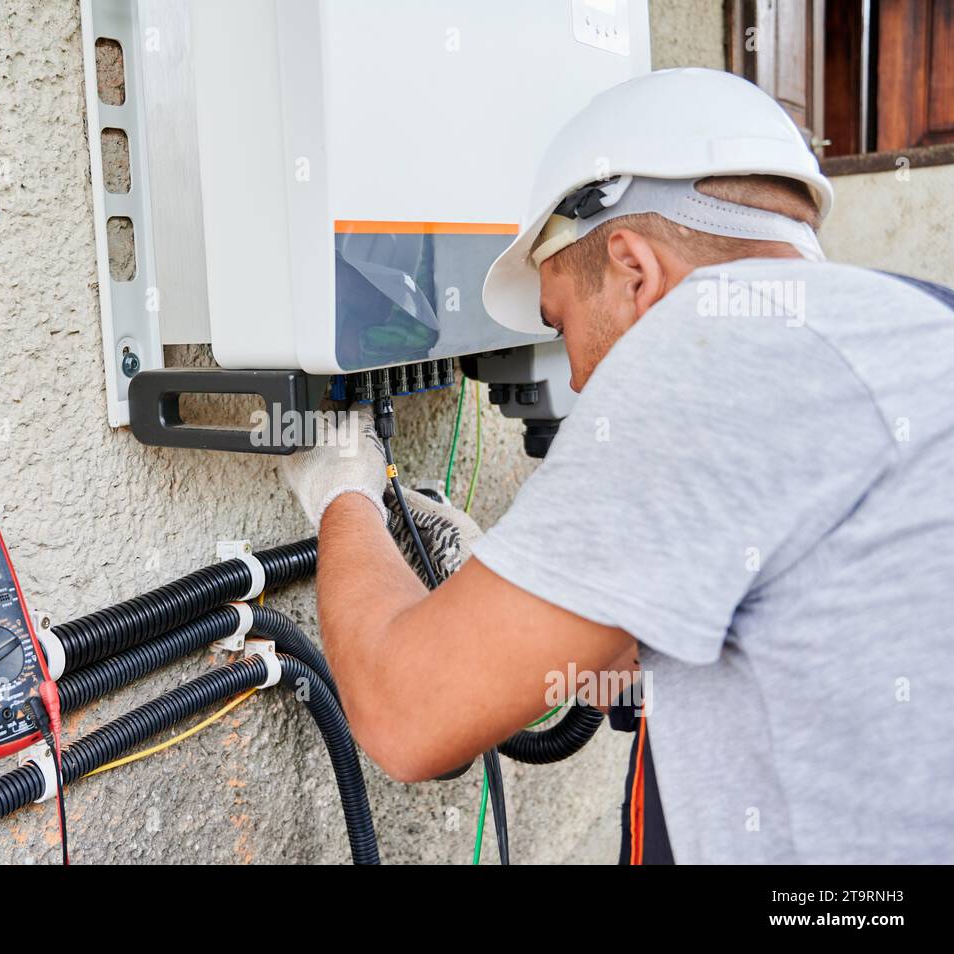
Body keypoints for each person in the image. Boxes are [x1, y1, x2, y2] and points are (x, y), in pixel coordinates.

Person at [279, 68, 954, 864]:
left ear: (634, 269)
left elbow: (405, 715)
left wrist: (343, 492)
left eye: (563, 325)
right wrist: (513, 585)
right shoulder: (914, 321)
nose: (581, 380)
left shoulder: (714, 354)